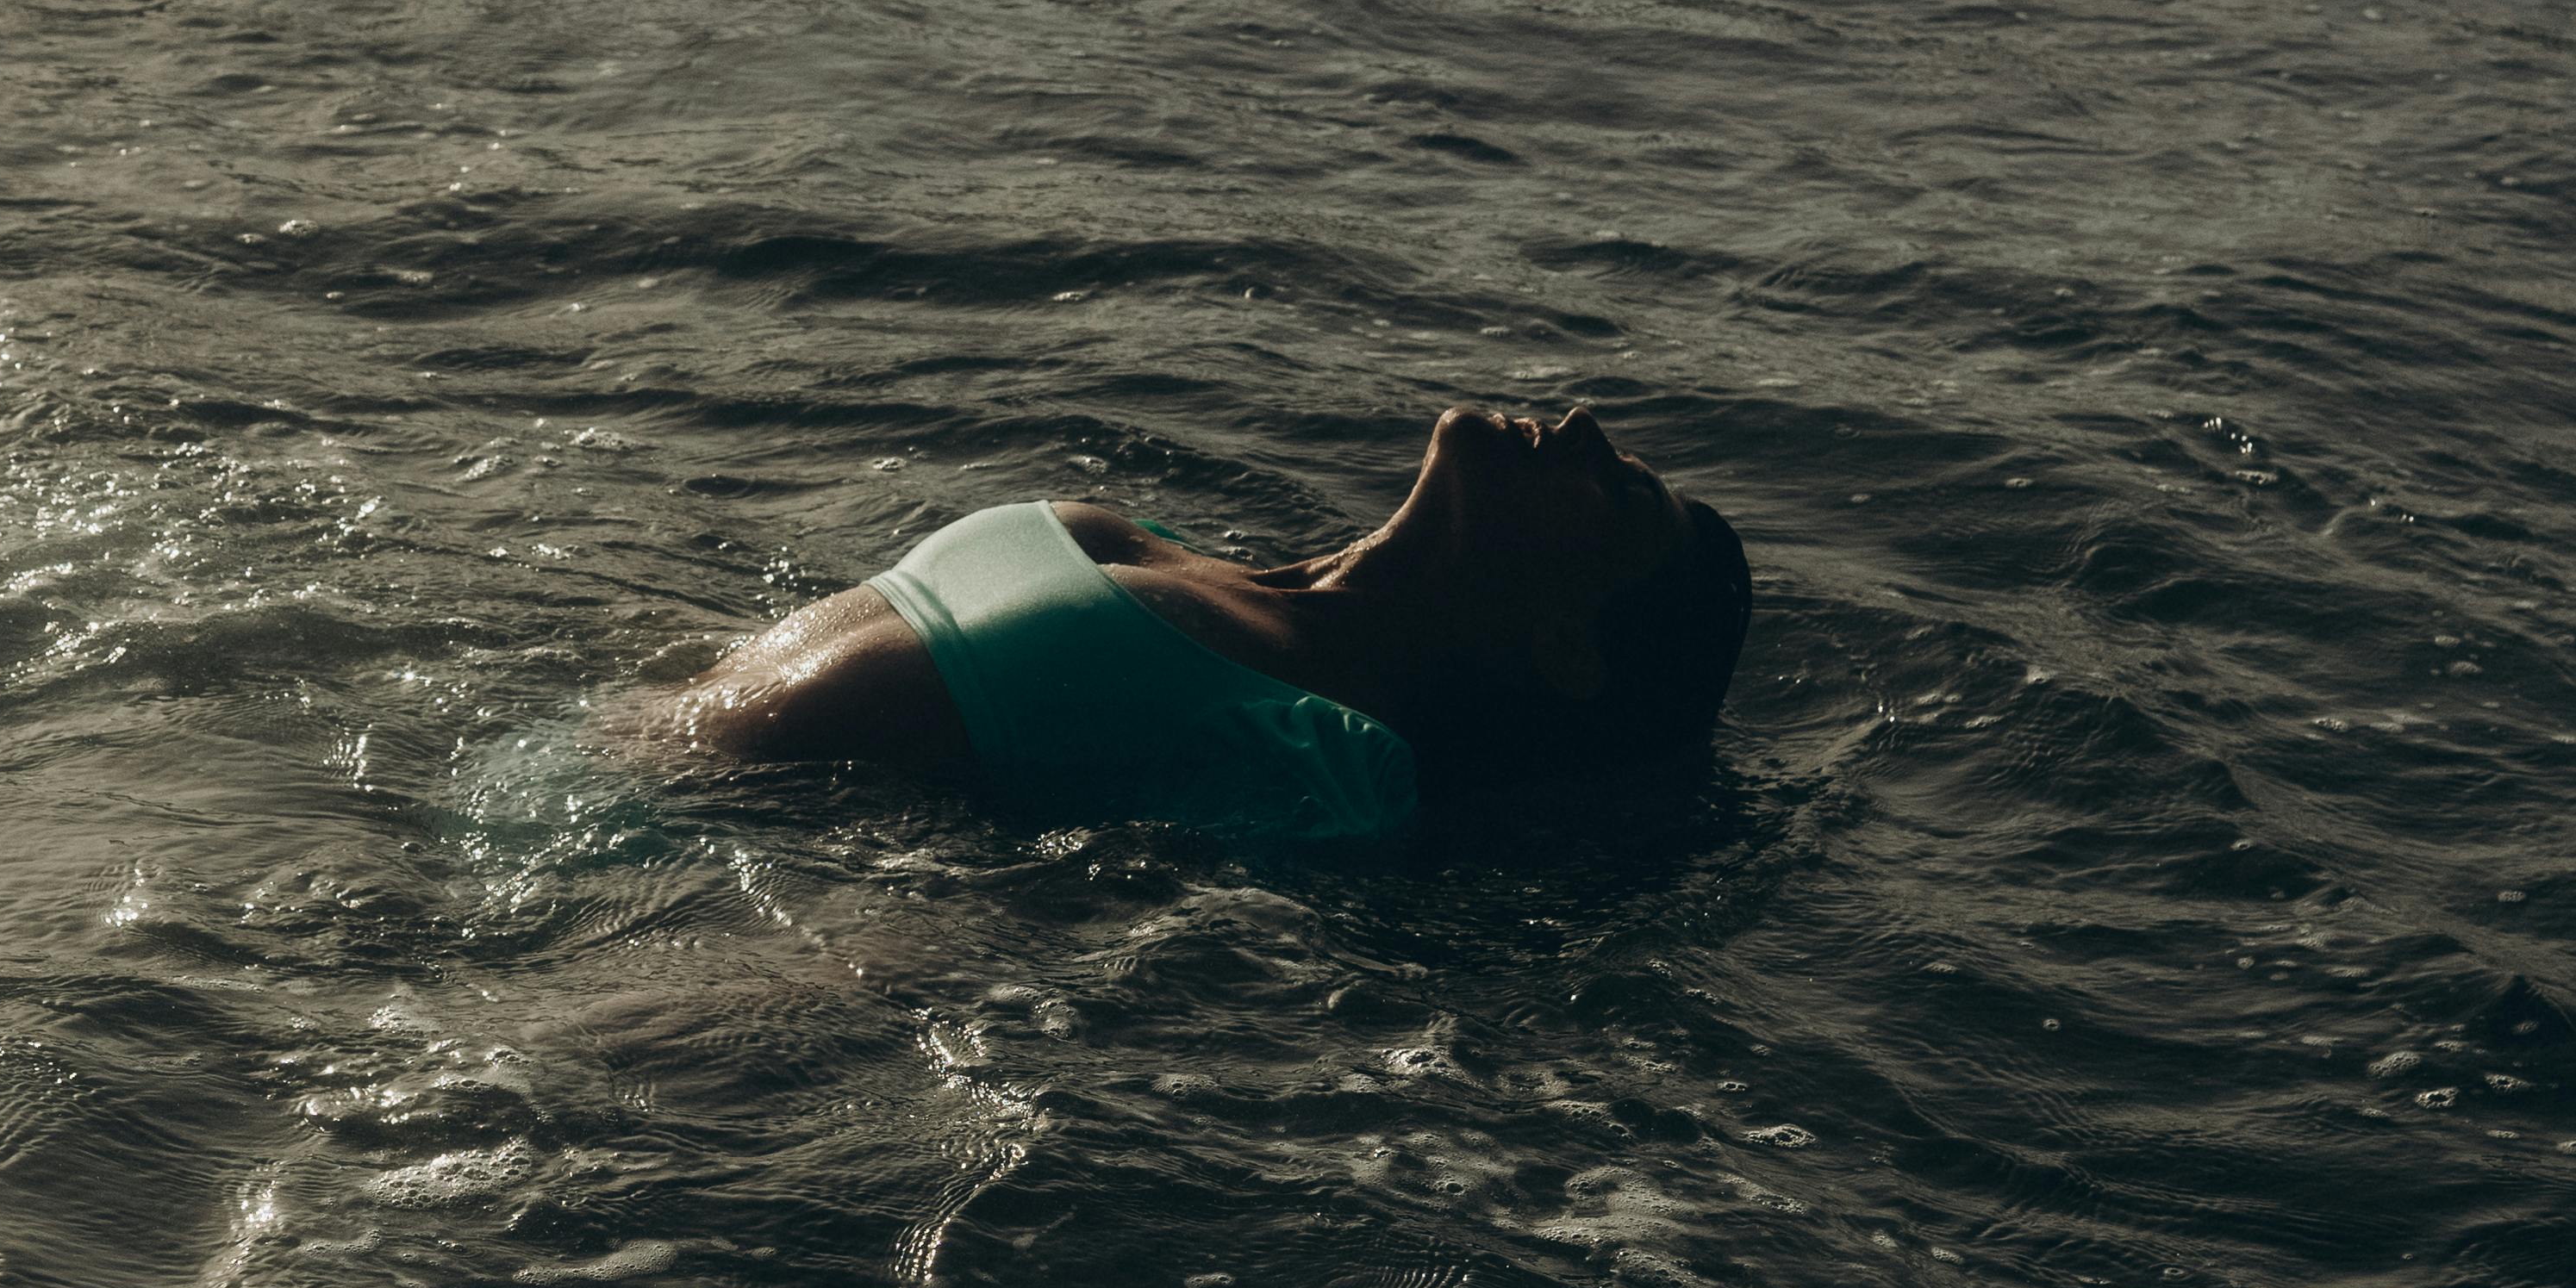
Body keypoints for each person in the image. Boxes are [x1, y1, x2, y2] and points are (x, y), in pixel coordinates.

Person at [621, 404, 1752, 840]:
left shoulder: (1320, 756)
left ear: (1564, 643)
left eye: (1621, 492)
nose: (1586, 422)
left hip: (640, 876)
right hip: (544, 773)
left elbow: (1011, 927)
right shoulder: (1162, 547)